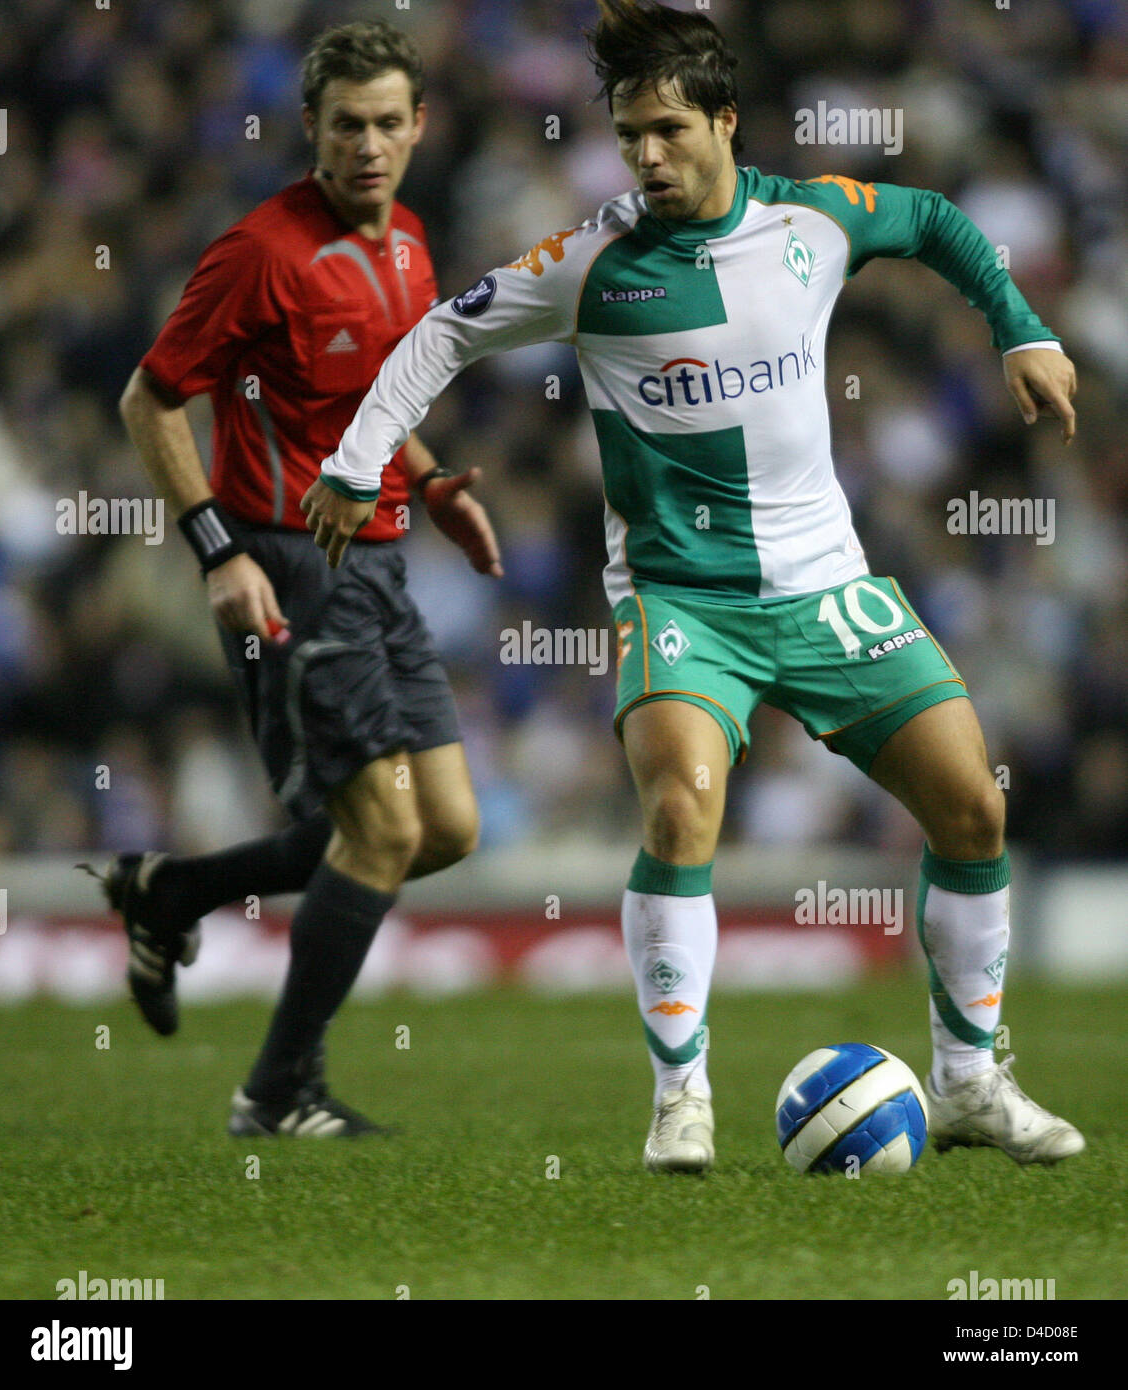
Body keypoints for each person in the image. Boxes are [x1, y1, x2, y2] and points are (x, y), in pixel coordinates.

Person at [303, 0, 1083, 1171]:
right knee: (680, 807)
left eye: (667, 130)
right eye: (628, 137)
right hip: (683, 602)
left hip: (827, 586)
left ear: (726, 122)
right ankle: (682, 1095)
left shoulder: (810, 220)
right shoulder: (590, 263)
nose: (647, 158)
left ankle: (968, 1079)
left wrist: (1019, 329)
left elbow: (931, 220)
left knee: (972, 806)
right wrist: (357, 463)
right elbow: (438, 336)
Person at [110, 20, 500, 1137]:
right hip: (288, 560)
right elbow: (151, 397)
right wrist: (216, 551)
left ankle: (173, 891)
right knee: (375, 831)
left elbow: (371, 403)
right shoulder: (260, 253)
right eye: (346, 125)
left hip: (380, 557)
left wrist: (428, 484)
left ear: (420, 125)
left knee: (447, 828)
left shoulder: (414, 242)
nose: (368, 146)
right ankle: (278, 1090)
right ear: (310, 129)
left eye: (388, 123)